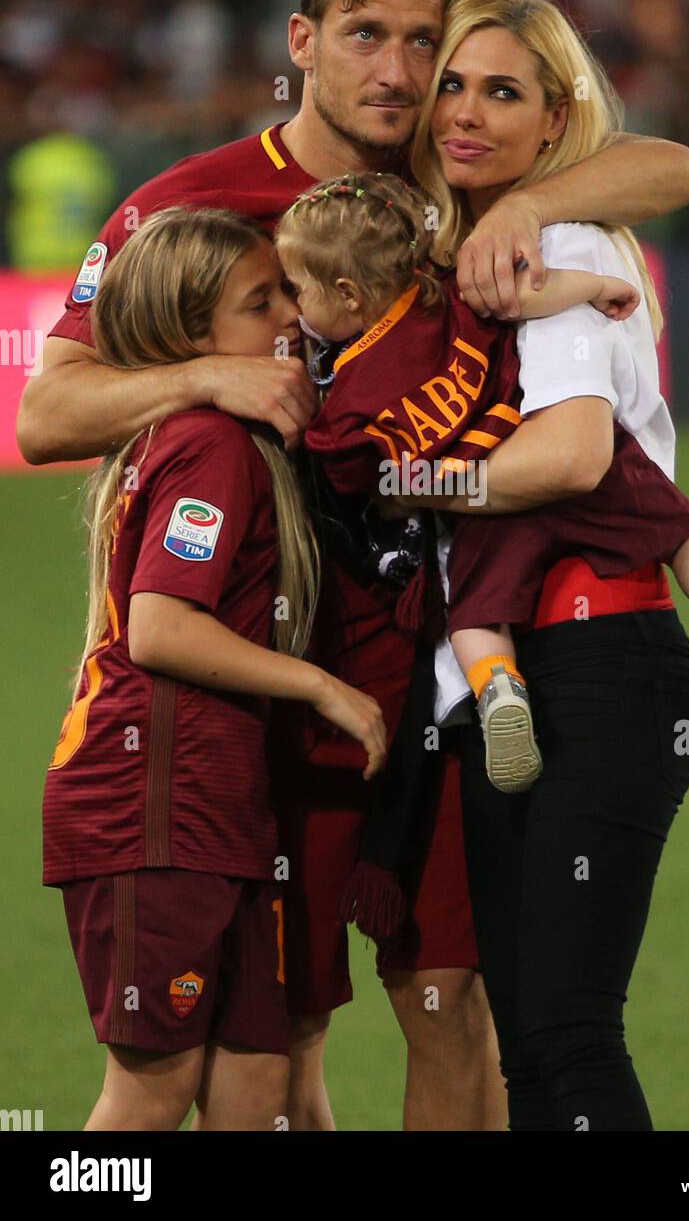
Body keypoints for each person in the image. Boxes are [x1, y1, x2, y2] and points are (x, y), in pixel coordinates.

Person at [18, 0, 689, 1131]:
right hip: (245, 696)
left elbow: (673, 168)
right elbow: (47, 409)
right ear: (303, 43)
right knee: (253, 1049)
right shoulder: (198, 205)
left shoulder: (456, 185)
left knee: (443, 997)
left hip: (433, 669)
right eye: (364, 36)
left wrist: (524, 205)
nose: (395, 71)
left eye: (421, 44)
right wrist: (209, 379)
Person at [391, 0, 689, 1127]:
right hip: (519, 677)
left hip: (595, 663)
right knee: (533, 1050)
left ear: (554, 119)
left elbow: (574, 458)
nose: (465, 113)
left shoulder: (558, 238)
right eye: (450, 87)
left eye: (502, 91)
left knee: (567, 1035)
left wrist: (412, 483)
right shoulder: (462, 245)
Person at [277, 168, 689, 792]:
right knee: (684, 536)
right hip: (548, 446)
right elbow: (527, 295)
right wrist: (596, 285)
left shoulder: (344, 403)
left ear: (348, 294)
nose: (293, 308)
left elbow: (358, 479)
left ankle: (501, 694)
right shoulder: (452, 295)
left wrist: (390, 487)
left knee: (472, 611)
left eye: (296, 289)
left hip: (485, 506)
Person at [44, 207, 386, 1130]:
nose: (289, 315)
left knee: (255, 1088)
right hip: (154, 800)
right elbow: (160, 628)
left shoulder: (210, 438)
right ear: (193, 338)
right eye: (258, 300)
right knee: (149, 1098)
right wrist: (322, 686)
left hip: (216, 801)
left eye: (286, 289)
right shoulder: (212, 443)